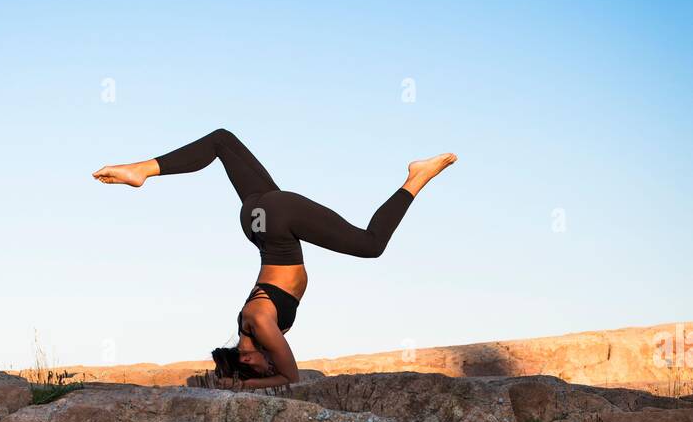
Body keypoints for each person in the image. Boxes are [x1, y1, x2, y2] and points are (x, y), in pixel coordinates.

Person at [93, 129, 456, 389]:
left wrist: (253, 386)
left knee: (370, 244)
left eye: (262, 365)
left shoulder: (262, 326)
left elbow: (291, 377)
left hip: (276, 219)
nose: (272, 361)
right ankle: (144, 169)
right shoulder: (248, 323)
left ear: (249, 361)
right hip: (258, 218)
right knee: (222, 141)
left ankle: (416, 177)